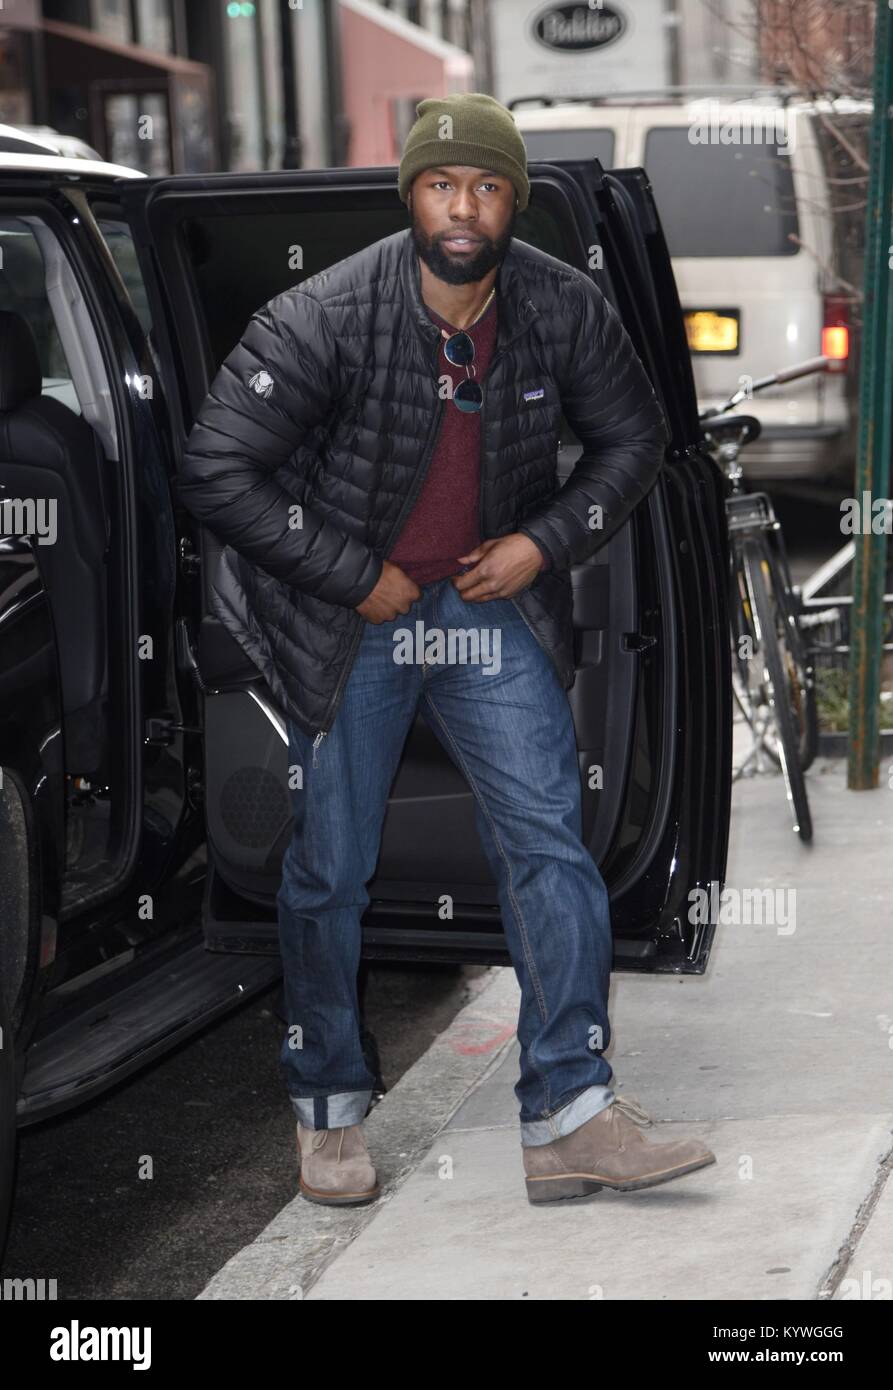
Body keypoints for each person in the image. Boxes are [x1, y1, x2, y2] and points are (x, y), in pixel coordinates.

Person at [179, 93, 716, 1207]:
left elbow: (634, 436)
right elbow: (217, 470)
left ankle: (567, 1112)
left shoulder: (558, 307)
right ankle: (325, 1106)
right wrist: (352, 570)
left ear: (512, 201)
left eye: (484, 186)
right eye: (440, 184)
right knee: (330, 868)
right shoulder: (322, 315)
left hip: (481, 603)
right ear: (409, 195)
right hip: (349, 613)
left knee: (548, 843)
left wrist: (542, 539)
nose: (462, 208)